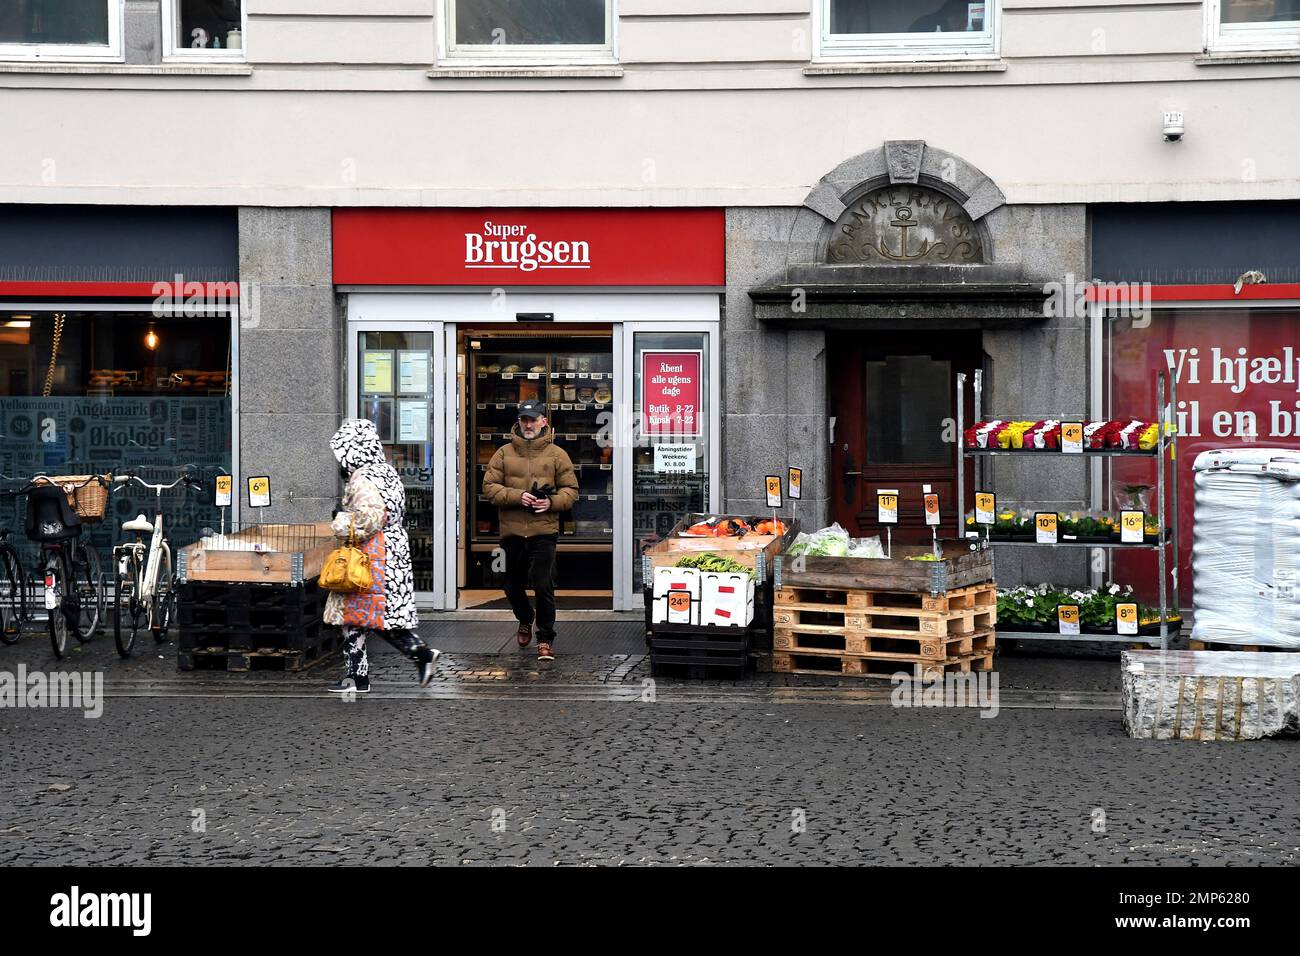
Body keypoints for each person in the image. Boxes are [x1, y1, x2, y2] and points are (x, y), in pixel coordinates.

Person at [325, 418, 440, 693]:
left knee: (365, 616)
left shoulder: (363, 478)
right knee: (360, 617)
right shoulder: (386, 472)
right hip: (391, 552)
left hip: (371, 556)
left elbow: (370, 518)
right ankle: (359, 676)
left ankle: (418, 654)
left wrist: (340, 522)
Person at [482, 400, 579, 661]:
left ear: (543, 422)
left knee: (543, 584)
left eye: (533, 419)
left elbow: (571, 491)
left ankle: (545, 639)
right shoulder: (503, 453)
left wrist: (551, 502)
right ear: (518, 421)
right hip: (511, 532)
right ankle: (526, 617)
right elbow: (489, 488)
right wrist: (517, 496)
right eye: (524, 419)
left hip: (543, 531)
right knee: (509, 584)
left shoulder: (558, 454)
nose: (528, 424)